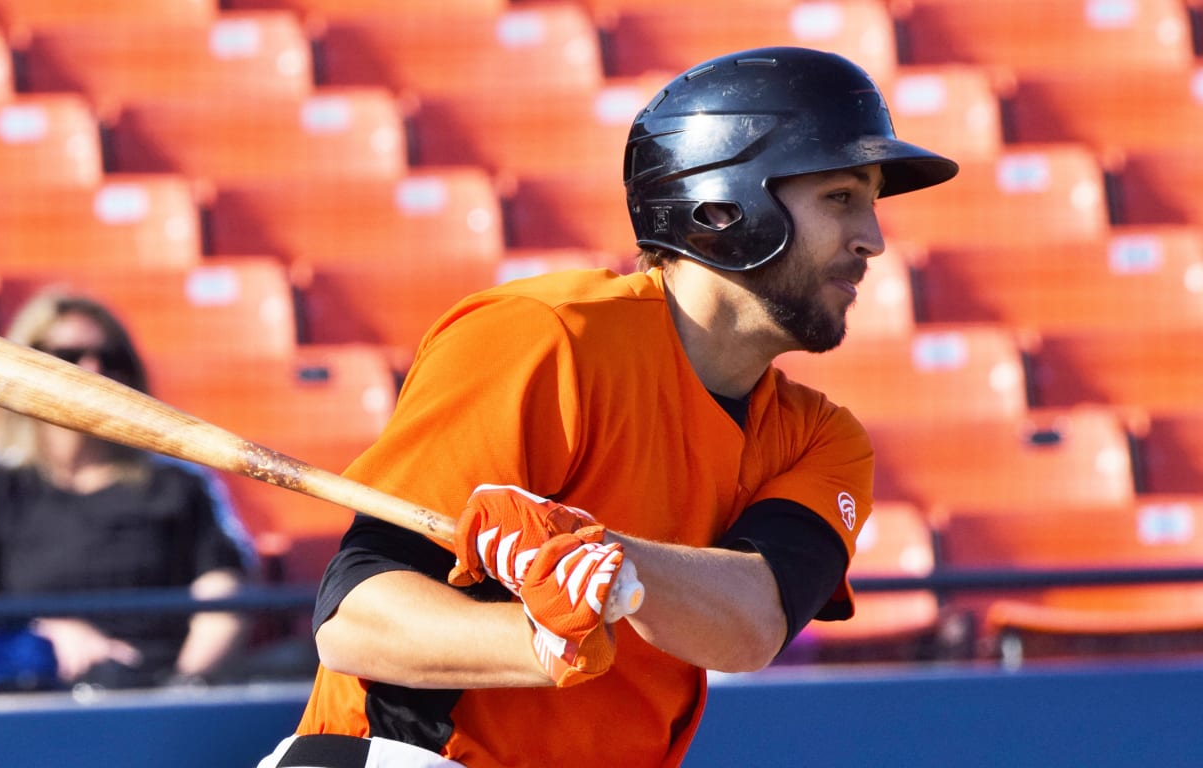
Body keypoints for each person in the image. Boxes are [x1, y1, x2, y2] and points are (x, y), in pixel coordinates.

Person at [255, 46, 960, 767]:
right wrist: (543, 640)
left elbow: (751, 624)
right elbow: (357, 622)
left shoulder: (822, 438)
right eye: (841, 198)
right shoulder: (543, 337)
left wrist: (600, 554)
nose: (873, 240)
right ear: (722, 206)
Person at [0, 289, 258, 690]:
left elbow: (224, 590)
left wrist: (184, 685)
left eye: (112, 359)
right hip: (29, 690)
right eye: (69, 357)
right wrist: (39, 635)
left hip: (156, 688)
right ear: (24, 366)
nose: (94, 370)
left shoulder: (179, 479)